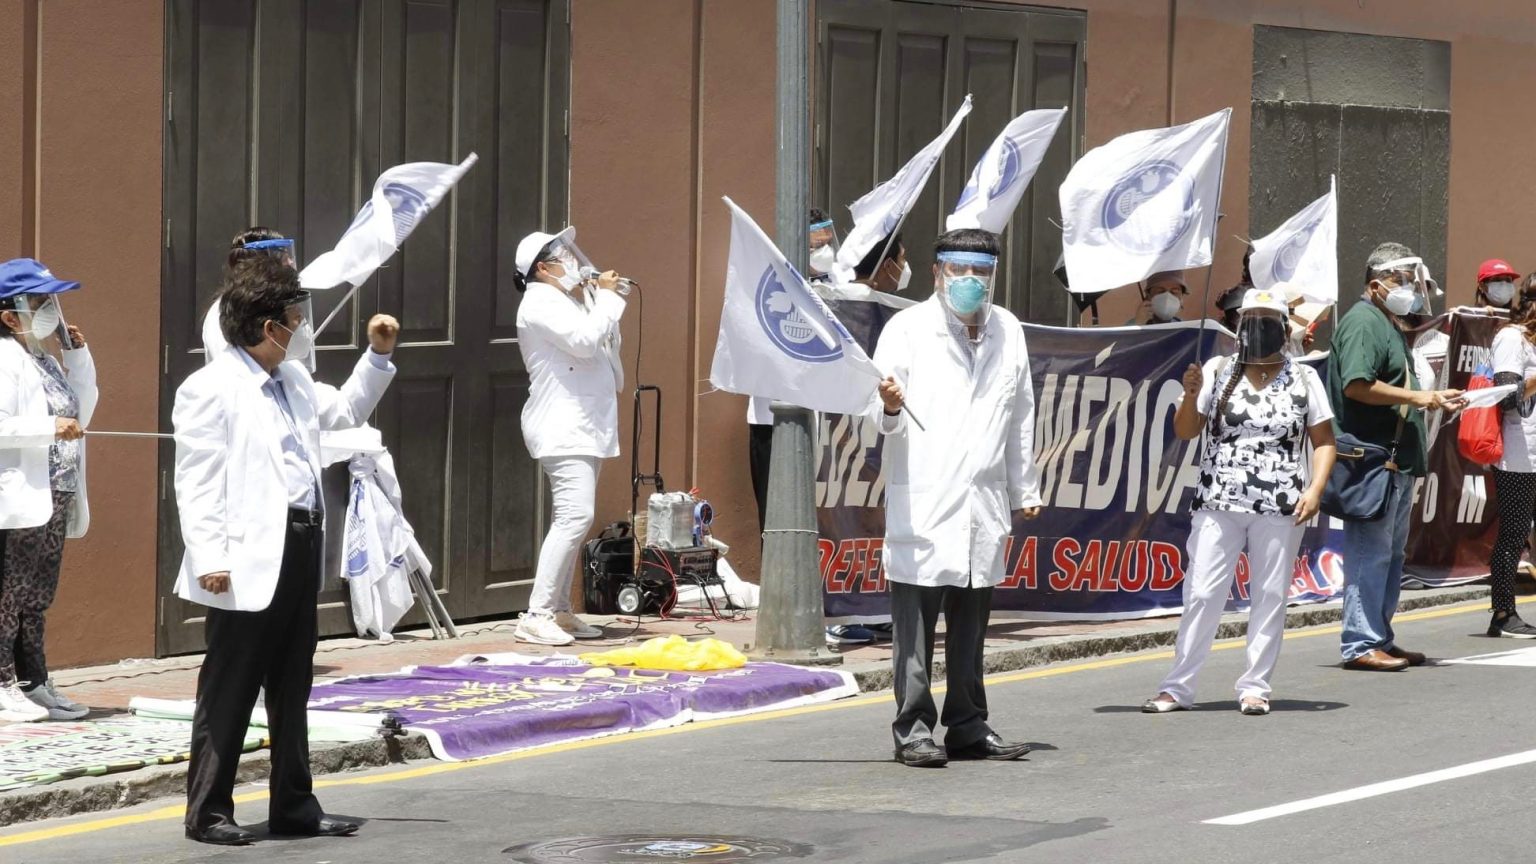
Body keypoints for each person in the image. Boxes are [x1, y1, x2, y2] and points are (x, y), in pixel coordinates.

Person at [173, 254, 399, 846]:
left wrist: (376, 357)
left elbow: (345, 411)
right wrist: (210, 558)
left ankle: (294, 805)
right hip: (243, 554)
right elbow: (195, 480)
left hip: (300, 541)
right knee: (232, 682)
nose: (303, 327)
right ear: (268, 327)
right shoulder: (211, 387)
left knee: (292, 679)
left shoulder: (295, 381)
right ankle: (208, 811)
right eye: (296, 318)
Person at [872, 227, 1040, 767]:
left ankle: (968, 724)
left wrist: (1024, 487)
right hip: (925, 501)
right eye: (960, 271)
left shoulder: (1008, 330)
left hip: (983, 503)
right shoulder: (907, 329)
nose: (971, 282)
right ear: (937, 272)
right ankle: (913, 729)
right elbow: (871, 414)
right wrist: (891, 407)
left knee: (971, 628)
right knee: (915, 630)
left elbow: (1020, 416)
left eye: (982, 272)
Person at [1142, 289, 1337, 715]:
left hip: (1281, 503)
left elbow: (1324, 442)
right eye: (1251, 320)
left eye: (1268, 321)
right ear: (1238, 327)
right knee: (1202, 592)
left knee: (1269, 594)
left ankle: (1255, 687)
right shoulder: (1217, 369)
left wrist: (1315, 490)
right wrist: (1191, 395)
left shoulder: (1305, 378)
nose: (1259, 329)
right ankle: (1178, 687)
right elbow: (1186, 431)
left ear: (1285, 330)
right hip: (1219, 500)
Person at [1327, 242, 1464, 671]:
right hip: (1372, 461)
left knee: (1391, 556)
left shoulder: (1386, 322)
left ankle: (1380, 636)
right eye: (1400, 280)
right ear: (1375, 284)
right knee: (1371, 553)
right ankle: (1361, 642)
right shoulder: (1364, 322)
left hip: (1395, 461)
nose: (1410, 289)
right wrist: (1422, 397)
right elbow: (1356, 384)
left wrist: (1433, 398)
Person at [512, 226, 626, 647]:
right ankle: (537, 613)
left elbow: (604, 348)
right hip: (563, 426)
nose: (574, 260)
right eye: (564, 255)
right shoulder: (539, 302)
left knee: (577, 519)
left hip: (584, 424)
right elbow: (582, 343)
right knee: (573, 517)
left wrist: (598, 298)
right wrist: (610, 299)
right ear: (543, 268)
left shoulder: (566, 301)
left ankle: (559, 610)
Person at [0, 258, 95, 723]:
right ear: (8, 314)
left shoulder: (46, 360)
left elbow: (82, 413)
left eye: (51, 301)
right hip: (18, 498)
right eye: (38, 302)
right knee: (7, 594)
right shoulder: (4, 358)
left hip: (56, 491)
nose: (50, 309)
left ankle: (34, 681)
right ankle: (2, 683)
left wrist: (76, 356)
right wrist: (48, 427)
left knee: (38, 594)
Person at [823, 229, 907, 647]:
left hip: (871, 430)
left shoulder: (894, 314)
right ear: (889, 264)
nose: (903, 271)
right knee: (835, 520)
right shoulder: (840, 304)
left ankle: (872, 608)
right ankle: (836, 615)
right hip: (833, 435)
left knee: (870, 521)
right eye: (901, 260)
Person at [1485, 277, 1536, 637]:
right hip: (1519, 456)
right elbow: (1504, 396)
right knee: (1514, 535)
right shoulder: (1511, 338)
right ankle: (1502, 613)